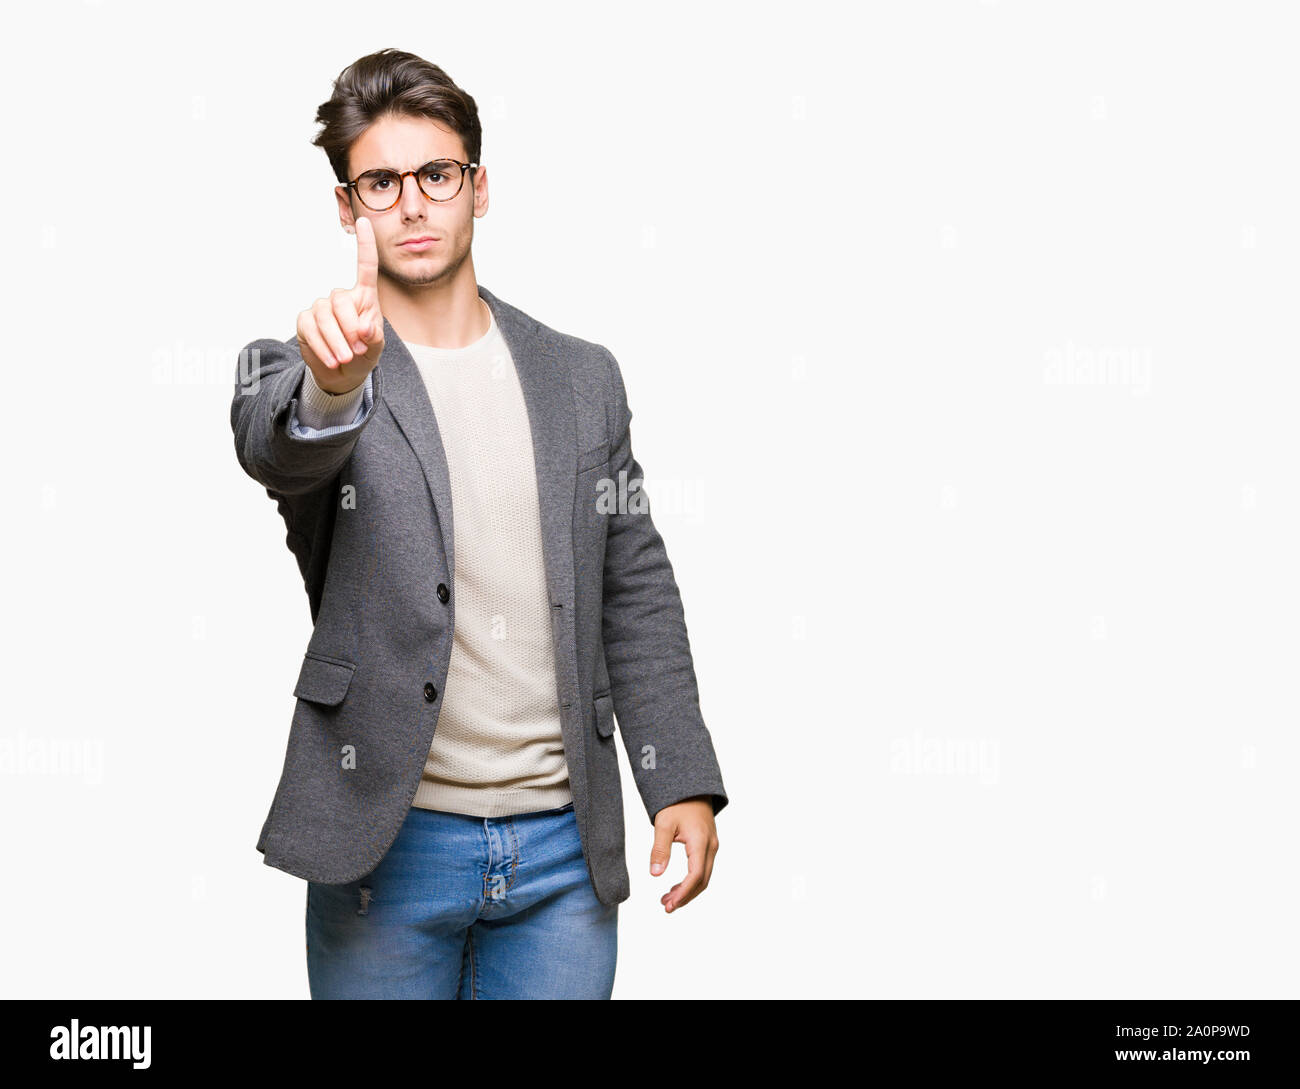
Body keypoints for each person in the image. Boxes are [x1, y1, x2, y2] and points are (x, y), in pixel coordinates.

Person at [229, 48, 728, 999]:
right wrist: (335, 387)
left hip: (561, 853)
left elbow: (634, 584)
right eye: (381, 181)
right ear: (348, 207)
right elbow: (275, 445)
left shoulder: (582, 379)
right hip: (389, 846)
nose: (412, 202)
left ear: (478, 188)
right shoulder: (309, 364)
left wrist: (681, 776)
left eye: (436, 175)